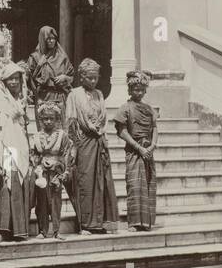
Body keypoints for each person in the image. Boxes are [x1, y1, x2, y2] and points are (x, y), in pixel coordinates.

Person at [65, 57, 118, 233]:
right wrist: (73, 146)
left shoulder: (99, 94)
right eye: (90, 77)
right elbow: (71, 122)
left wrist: (100, 131)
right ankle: (86, 223)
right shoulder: (74, 94)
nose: (94, 81)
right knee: (85, 182)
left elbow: (104, 117)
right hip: (83, 142)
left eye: (96, 77)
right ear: (82, 77)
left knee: (101, 182)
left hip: (98, 141)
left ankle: (99, 222)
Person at [0, 62, 33, 241]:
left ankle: (20, 231)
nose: (13, 82)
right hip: (5, 148)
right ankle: (3, 232)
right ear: (4, 81)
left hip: (21, 147)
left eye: (16, 79)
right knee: (7, 187)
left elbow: (25, 128)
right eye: (10, 79)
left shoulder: (21, 102)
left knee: (21, 186)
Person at [114, 69, 158, 231]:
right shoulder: (125, 108)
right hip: (134, 151)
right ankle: (134, 222)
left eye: (141, 90)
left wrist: (152, 146)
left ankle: (146, 222)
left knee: (148, 184)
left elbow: (155, 128)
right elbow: (122, 131)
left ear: (145, 90)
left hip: (148, 152)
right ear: (129, 90)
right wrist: (139, 148)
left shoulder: (149, 109)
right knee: (134, 186)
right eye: (135, 89)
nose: (138, 92)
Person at [30, 102, 70, 238]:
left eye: (51, 118)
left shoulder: (62, 135)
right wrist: (37, 165)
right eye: (45, 118)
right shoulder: (37, 136)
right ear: (41, 120)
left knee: (55, 201)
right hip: (41, 173)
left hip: (55, 172)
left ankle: (57, 230)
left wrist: (62, 169)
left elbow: (66, 154)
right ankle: (42, 230)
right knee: (41, 201)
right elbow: (34, 154)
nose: (48, 121)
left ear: (57, 119)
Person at [25, 25, 74, 114]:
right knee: (45, 121)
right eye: (48, 39)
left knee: (60, 122)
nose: (51, 41)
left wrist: (65, 77)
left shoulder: (62, 56)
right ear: (42, 39)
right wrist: (39, 66)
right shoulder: (35, 57)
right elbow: (28, 79)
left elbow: (71, 76)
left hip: (60, 97)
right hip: (43, 97)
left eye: (53, 38)